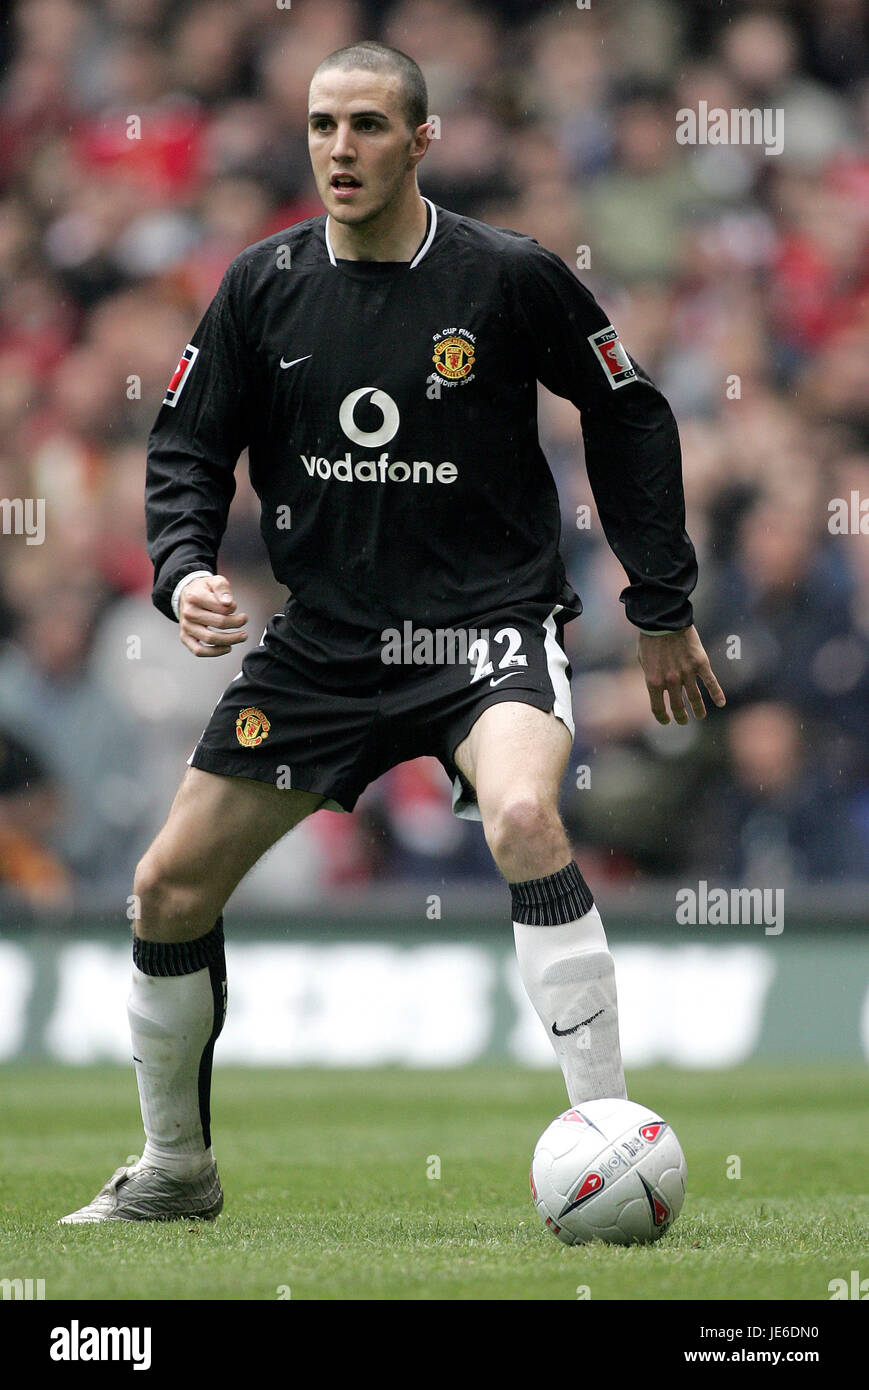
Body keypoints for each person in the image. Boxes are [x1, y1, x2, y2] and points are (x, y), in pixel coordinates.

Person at [61, 41, 724, 1224]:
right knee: (165, 888)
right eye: (321, 126)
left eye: (366, 126)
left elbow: (626, 411)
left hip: (484, 628)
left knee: (524, 814)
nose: (338, 150)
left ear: (419, 141)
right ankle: (177, 1169)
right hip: (324, 645)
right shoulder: (260, 285)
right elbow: (186, 445)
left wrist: (660, 603)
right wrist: (181, 571)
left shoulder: (506, 276)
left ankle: (611, 1133)